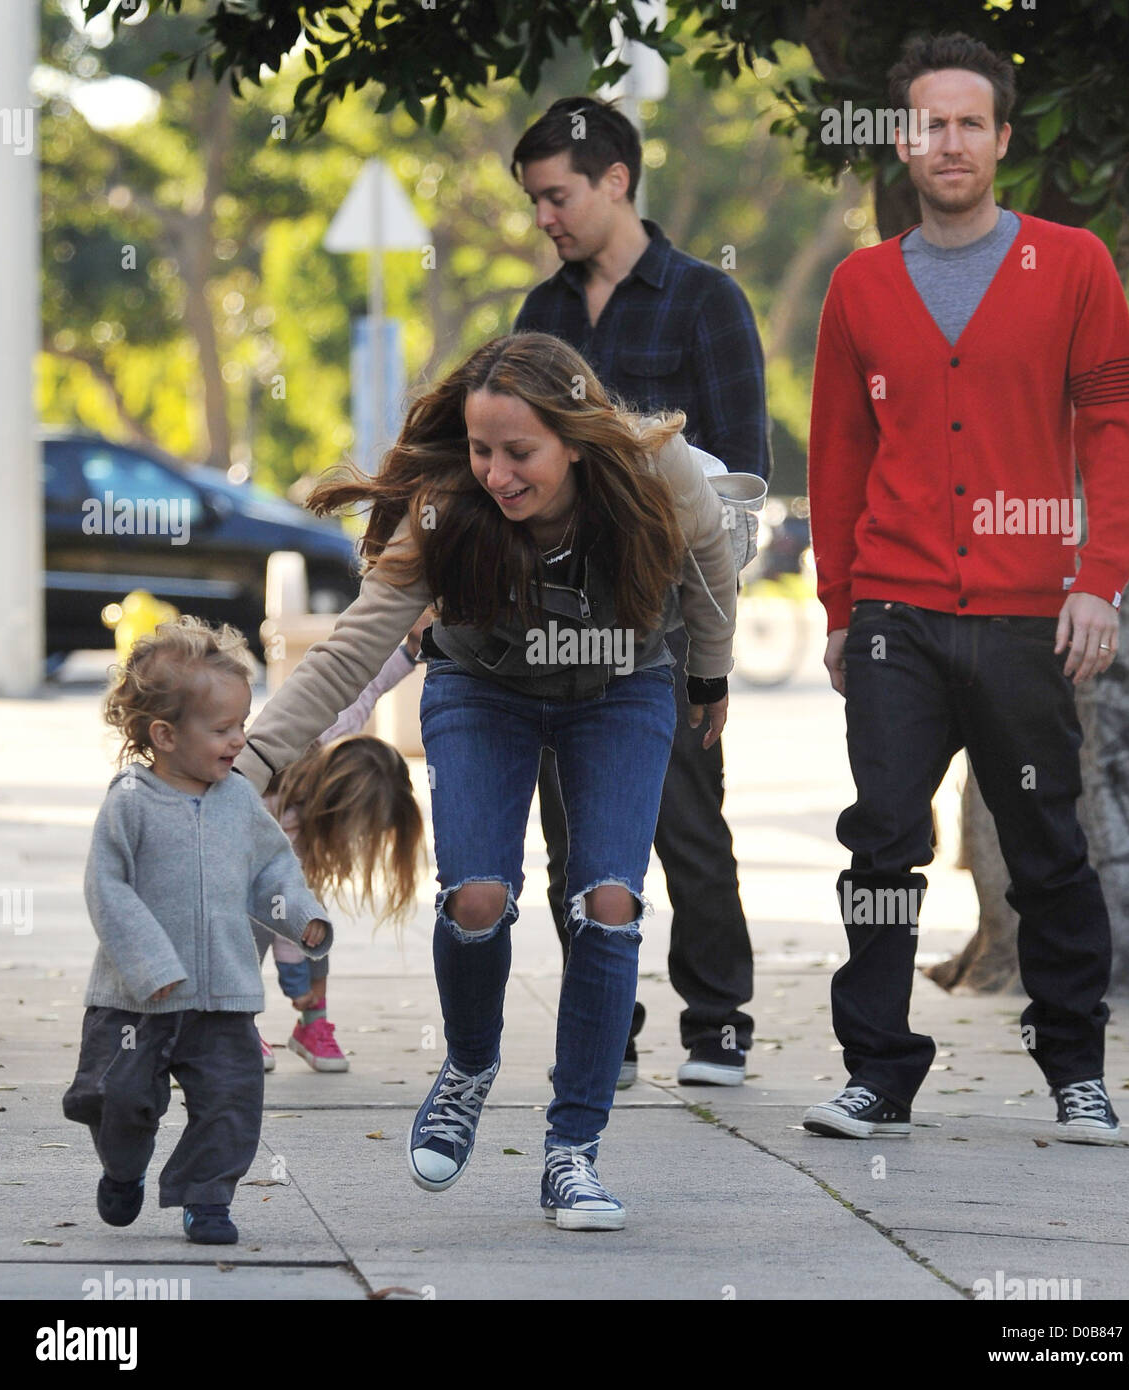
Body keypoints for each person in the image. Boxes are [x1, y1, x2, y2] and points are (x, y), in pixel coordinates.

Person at [232, 332, 737, 1229]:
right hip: (483, 688)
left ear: (574, 439)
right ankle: (468, 1066)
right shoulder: (448, 512)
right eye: (479, 450)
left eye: (518, 453)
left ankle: (572, 1152)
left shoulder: (658, 475)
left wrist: (708, 674)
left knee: (610, 900)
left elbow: (710, 577)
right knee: (475, 897)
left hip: (619, 690)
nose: (495, 475)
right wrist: (251, 763)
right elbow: (353, 646)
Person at [804, 32, 1129, 1144]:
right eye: (927, 123)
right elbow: (835, 458)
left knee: (1046, 843)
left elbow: (1111, 430)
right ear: (900, 141)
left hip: (1021, 615)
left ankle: (1075, 1070)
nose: (947, 142)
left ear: (1000, 139)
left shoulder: (1075, 267)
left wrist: (1097, 579)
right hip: (896, 615)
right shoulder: (859, 286)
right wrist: (838, 611)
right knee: (879, 844)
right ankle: (875, 1069)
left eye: (968, 123)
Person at [511, 96, 770, 1086]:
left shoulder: (705, 300)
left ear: (614, 180)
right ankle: (601, 1027)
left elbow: (739, 478)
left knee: (684, 823)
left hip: (662, 619)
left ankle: (716, 1022)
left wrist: (707, 624)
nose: (544, 216)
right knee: (567, 832)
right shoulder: (540, 316)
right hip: (547, 619)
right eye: (535, 199)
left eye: (557, 194)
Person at [62, 617, 331, 1245]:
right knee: (120, 1099)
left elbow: (272, 868)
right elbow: (108, 889)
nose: (240, 740)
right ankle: (122, 1168)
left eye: (242, 724)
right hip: (135, 1001)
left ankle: (206, 1197)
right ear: (165, 735)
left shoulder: (238, 800)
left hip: (222, 997)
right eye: (222, 729)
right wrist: (151, 967)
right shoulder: (130, 801)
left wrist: (302, 917)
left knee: (234, 1104)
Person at [255, 623, 429, 1073]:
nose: (362, 843)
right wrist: (296, 985)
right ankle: (236, 1023)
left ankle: (312, 1026)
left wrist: (410, 650)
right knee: (253, 933)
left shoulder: (338, 731)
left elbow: (367, 684)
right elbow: (281, 912)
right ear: (336, 814)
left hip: (279, 887)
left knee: (315, 924)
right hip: (241, 885)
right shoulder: (288, 822)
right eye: (362, 832)